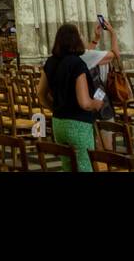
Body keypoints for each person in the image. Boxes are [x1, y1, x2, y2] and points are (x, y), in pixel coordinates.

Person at [37, 23, 106, 171]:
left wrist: (56, 108)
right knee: (84, 166)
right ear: (75, 40)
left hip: (58, 123)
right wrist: (97, 104)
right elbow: (84, 103)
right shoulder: (76, 63)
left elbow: (41, 94)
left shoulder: (51, 62)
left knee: (68, 167)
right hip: (78, 124)